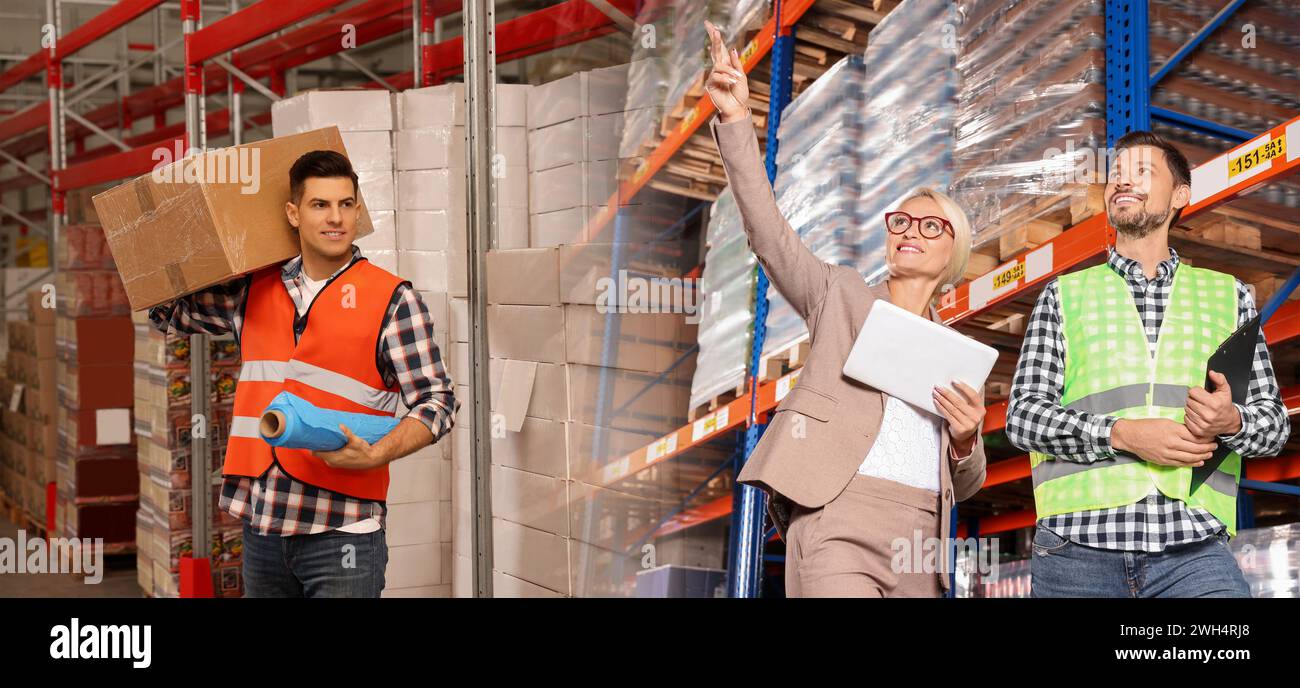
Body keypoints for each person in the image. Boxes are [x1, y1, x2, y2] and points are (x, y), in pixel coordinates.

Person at [702, 20, 987, 598]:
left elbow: (969, 480)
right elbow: (769, 235)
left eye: (929, 226)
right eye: (900, 221)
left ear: (952, 250)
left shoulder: (954, 354)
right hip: (839, 513)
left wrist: (966, 438)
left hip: (920, 539)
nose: (909, 231)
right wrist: (736, 121)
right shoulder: (841, 296)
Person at [150, 150, 458, 598]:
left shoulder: (391, 299)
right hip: (264, 529)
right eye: (320, 205)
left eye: (346, 204)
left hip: (342, 532)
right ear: (293, 213)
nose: (336, 218)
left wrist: (377, 454)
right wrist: (194, 235)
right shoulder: (253, 290)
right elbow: (166, 310)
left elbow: (440, 402)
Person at [1006, 130, 1290, 598]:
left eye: (1142, 172)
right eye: (1115, 174)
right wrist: (1123, 435)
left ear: (1180, 195)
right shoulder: (1065, 295)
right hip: (1076, 550)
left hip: (1193, 548)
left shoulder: (1228, 296)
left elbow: (1274, 427)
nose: (1122, 181)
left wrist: (1231, 419)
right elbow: (1023, 417)